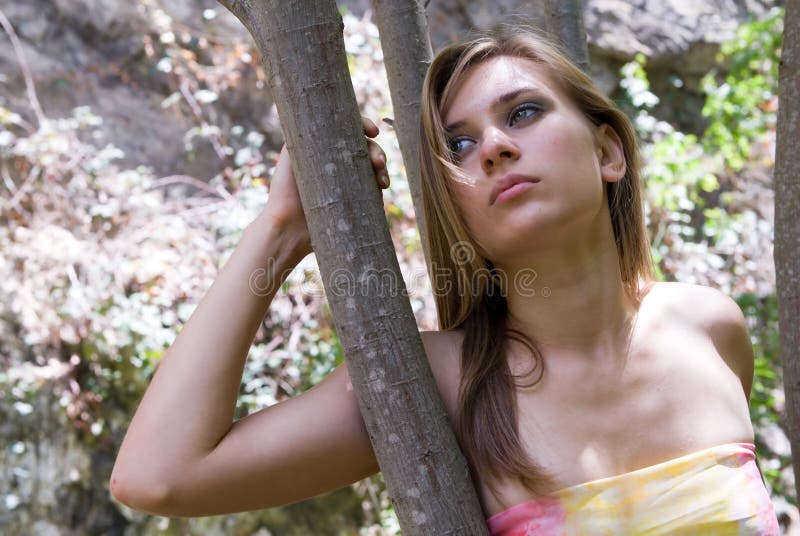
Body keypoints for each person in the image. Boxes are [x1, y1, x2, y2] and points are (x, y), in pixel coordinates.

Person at [111, 27, 780, 534]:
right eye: (458, 146)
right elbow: (157, 475)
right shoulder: (440, 381)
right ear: (452, 204)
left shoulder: (709, 327)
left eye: (522, 113)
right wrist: (284, 226)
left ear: (607, 152)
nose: (493, 147)